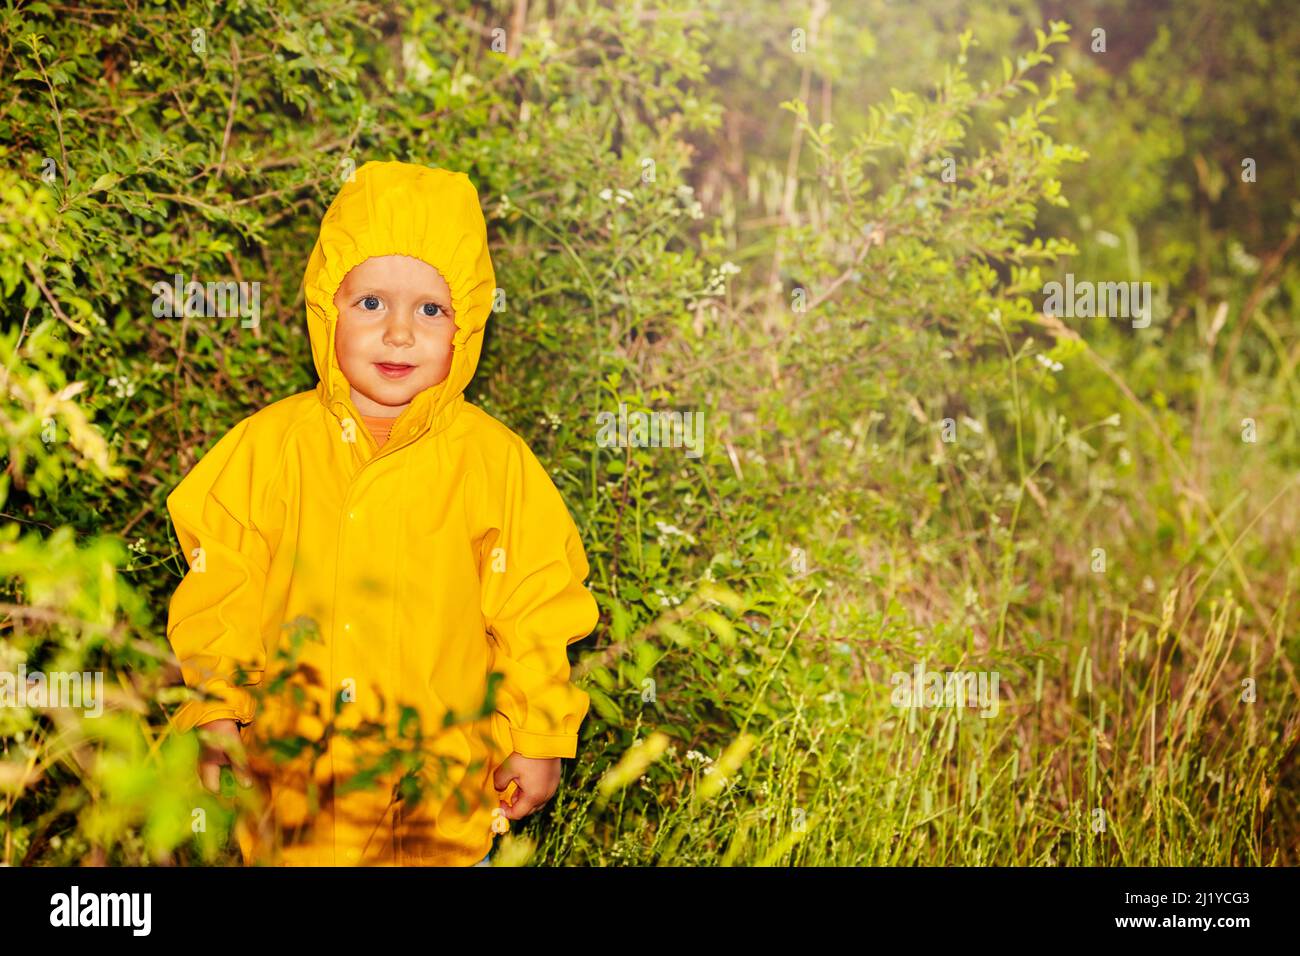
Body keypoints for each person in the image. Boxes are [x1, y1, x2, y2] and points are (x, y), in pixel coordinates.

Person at [164, 161, 599, 866]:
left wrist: (539, 736)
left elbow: (537, 609)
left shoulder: (493, 461)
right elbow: (221, 593)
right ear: (325, 307)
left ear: (468, 325)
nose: (400, 333)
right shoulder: (269, 449)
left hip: (445, 803)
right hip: (295, 806)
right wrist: (216, 710)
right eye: (371, 304)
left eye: (431, 309)